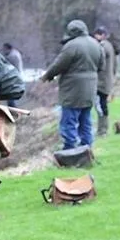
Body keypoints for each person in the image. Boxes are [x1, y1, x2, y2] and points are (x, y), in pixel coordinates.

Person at [40, 19, 103, 150]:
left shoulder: (71, 46)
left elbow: (59, 64)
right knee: (86, 120)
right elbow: (101, 66)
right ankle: (87, 148)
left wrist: (47, 76)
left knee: (69, 120)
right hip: (90, 89)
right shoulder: (96, 44)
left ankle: (69, 149)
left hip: (72, 90)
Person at [93, 26, 116, 137]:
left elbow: (96, 61)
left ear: (101, 35)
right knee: (102, 105)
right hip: (107, 80)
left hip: (102, 81)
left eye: (96, 35)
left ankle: (102, 130)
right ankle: (102, 129)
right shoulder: (109, 45)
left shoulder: (102, 46)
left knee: (100, 106)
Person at [1, 42, 24, 108]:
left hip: (13, 77)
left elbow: (7, 65)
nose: (3, 50)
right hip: (15, 76)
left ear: (8, 48)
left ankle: (14, 112)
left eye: (4, 49)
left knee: (10, 97)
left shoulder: (12, 56)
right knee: (10, 96)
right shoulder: (15, 53)